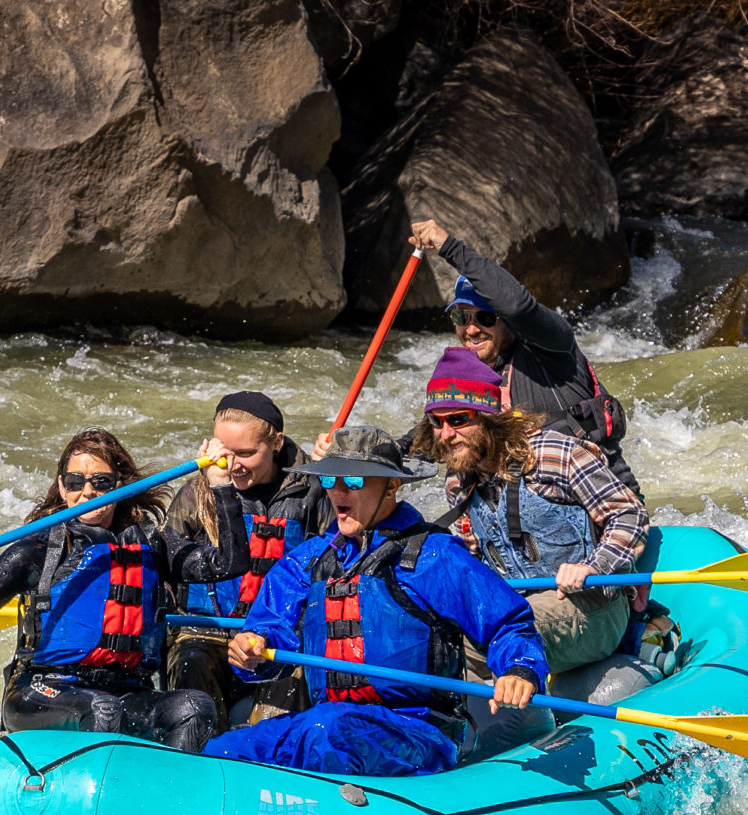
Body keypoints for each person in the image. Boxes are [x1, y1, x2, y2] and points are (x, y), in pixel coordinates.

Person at [203, 427, 549, 778]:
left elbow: (507, 624)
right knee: (220, 751)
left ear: (392, 487)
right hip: (331, 724)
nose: (338, 491)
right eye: (330, 481)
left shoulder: (434, 556)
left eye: (352, 481)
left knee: (328, 729)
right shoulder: (308, 560)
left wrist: (519, 670)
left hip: (420, 730)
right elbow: (268, 632)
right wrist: (251, 649)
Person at [0, 429, 248, 753]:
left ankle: (169, 794)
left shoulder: (152, 546)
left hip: (124, 692)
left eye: (101, 482)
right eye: (74, 482)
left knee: (196, 708)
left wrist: (220, 484)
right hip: (42, 691)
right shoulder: (40, 548)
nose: (87, 492)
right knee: (101, 711)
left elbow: (229, 563)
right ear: (60, 487)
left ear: (120, 486)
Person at [415, 345, 649, 676]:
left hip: (591, 606)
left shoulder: (555, 454)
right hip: (515, 605)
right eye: (436, 423)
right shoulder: (459, 482)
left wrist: (593, 567)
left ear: (489, 418)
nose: (447, 434)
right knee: (432, 629)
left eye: (457, 420)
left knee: (485, 636)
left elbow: (630, 515)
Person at [407, 217, 640, 495]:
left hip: (597, 502)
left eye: (485, 317)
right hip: (524, 516)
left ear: (508, 321)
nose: (471, 328)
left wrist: (450, 247)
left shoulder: (552, 350)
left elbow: (518, 306)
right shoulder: (470, 374)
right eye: (461, 316)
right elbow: (437, 431)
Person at [162, 391, 333, 724]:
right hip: (206, 631)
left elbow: (337, 560)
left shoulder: (313, 493)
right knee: (190, 660)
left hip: (278, 636)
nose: (233, 465)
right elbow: (165, 566)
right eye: (225, 453)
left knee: (286, 682)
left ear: (277, 443)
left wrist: (337, 471)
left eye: (246, 453)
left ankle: (264, 759)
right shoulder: (196, 494)